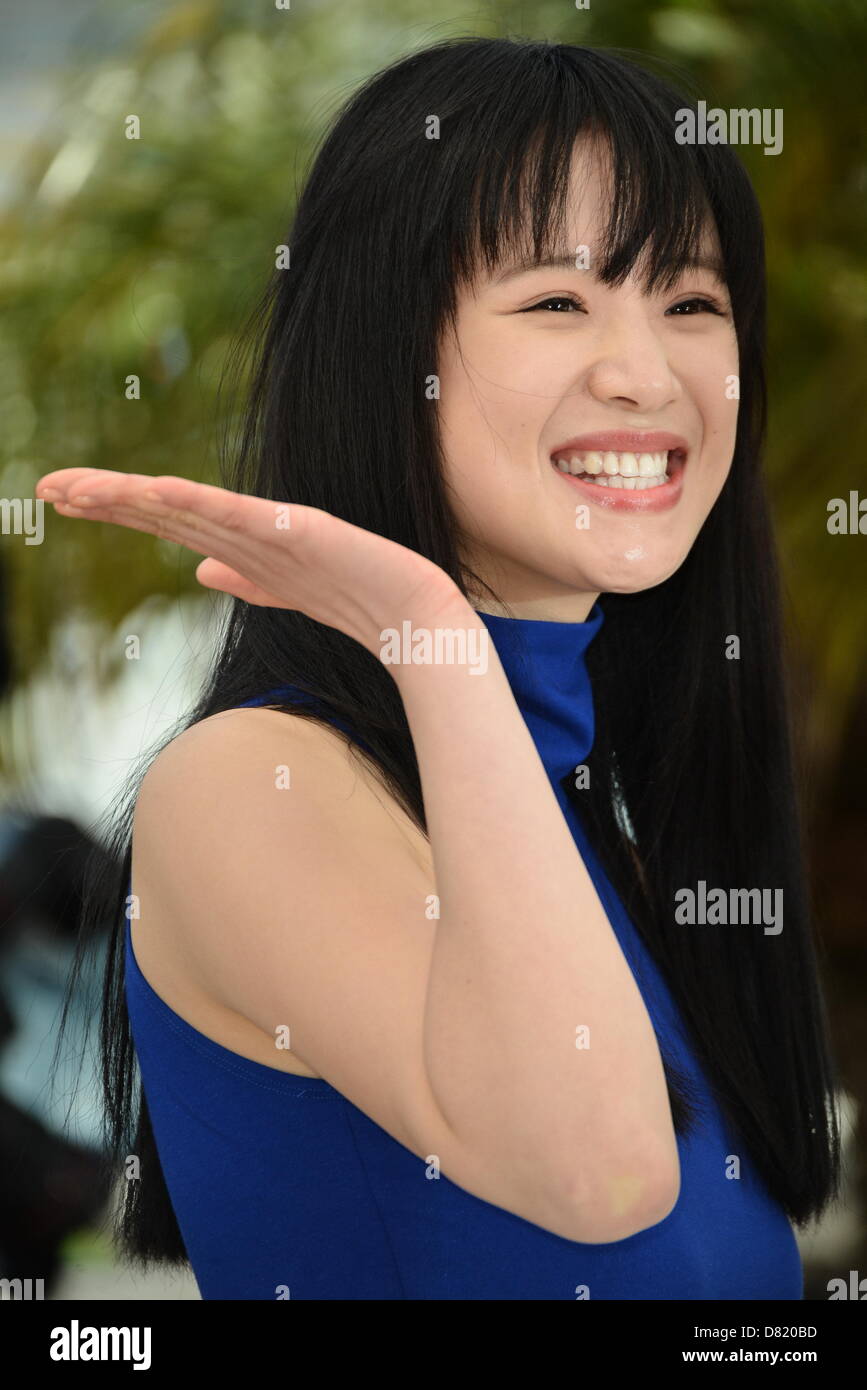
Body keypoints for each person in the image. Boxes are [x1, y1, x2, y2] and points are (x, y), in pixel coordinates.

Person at [40, 37, 841, 1300]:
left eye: (693, 302)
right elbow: (595, 1179)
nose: (648, 374)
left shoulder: (591, 825)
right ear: (385, 352)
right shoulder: (253, 780)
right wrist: (431, 635)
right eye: (556, 301)